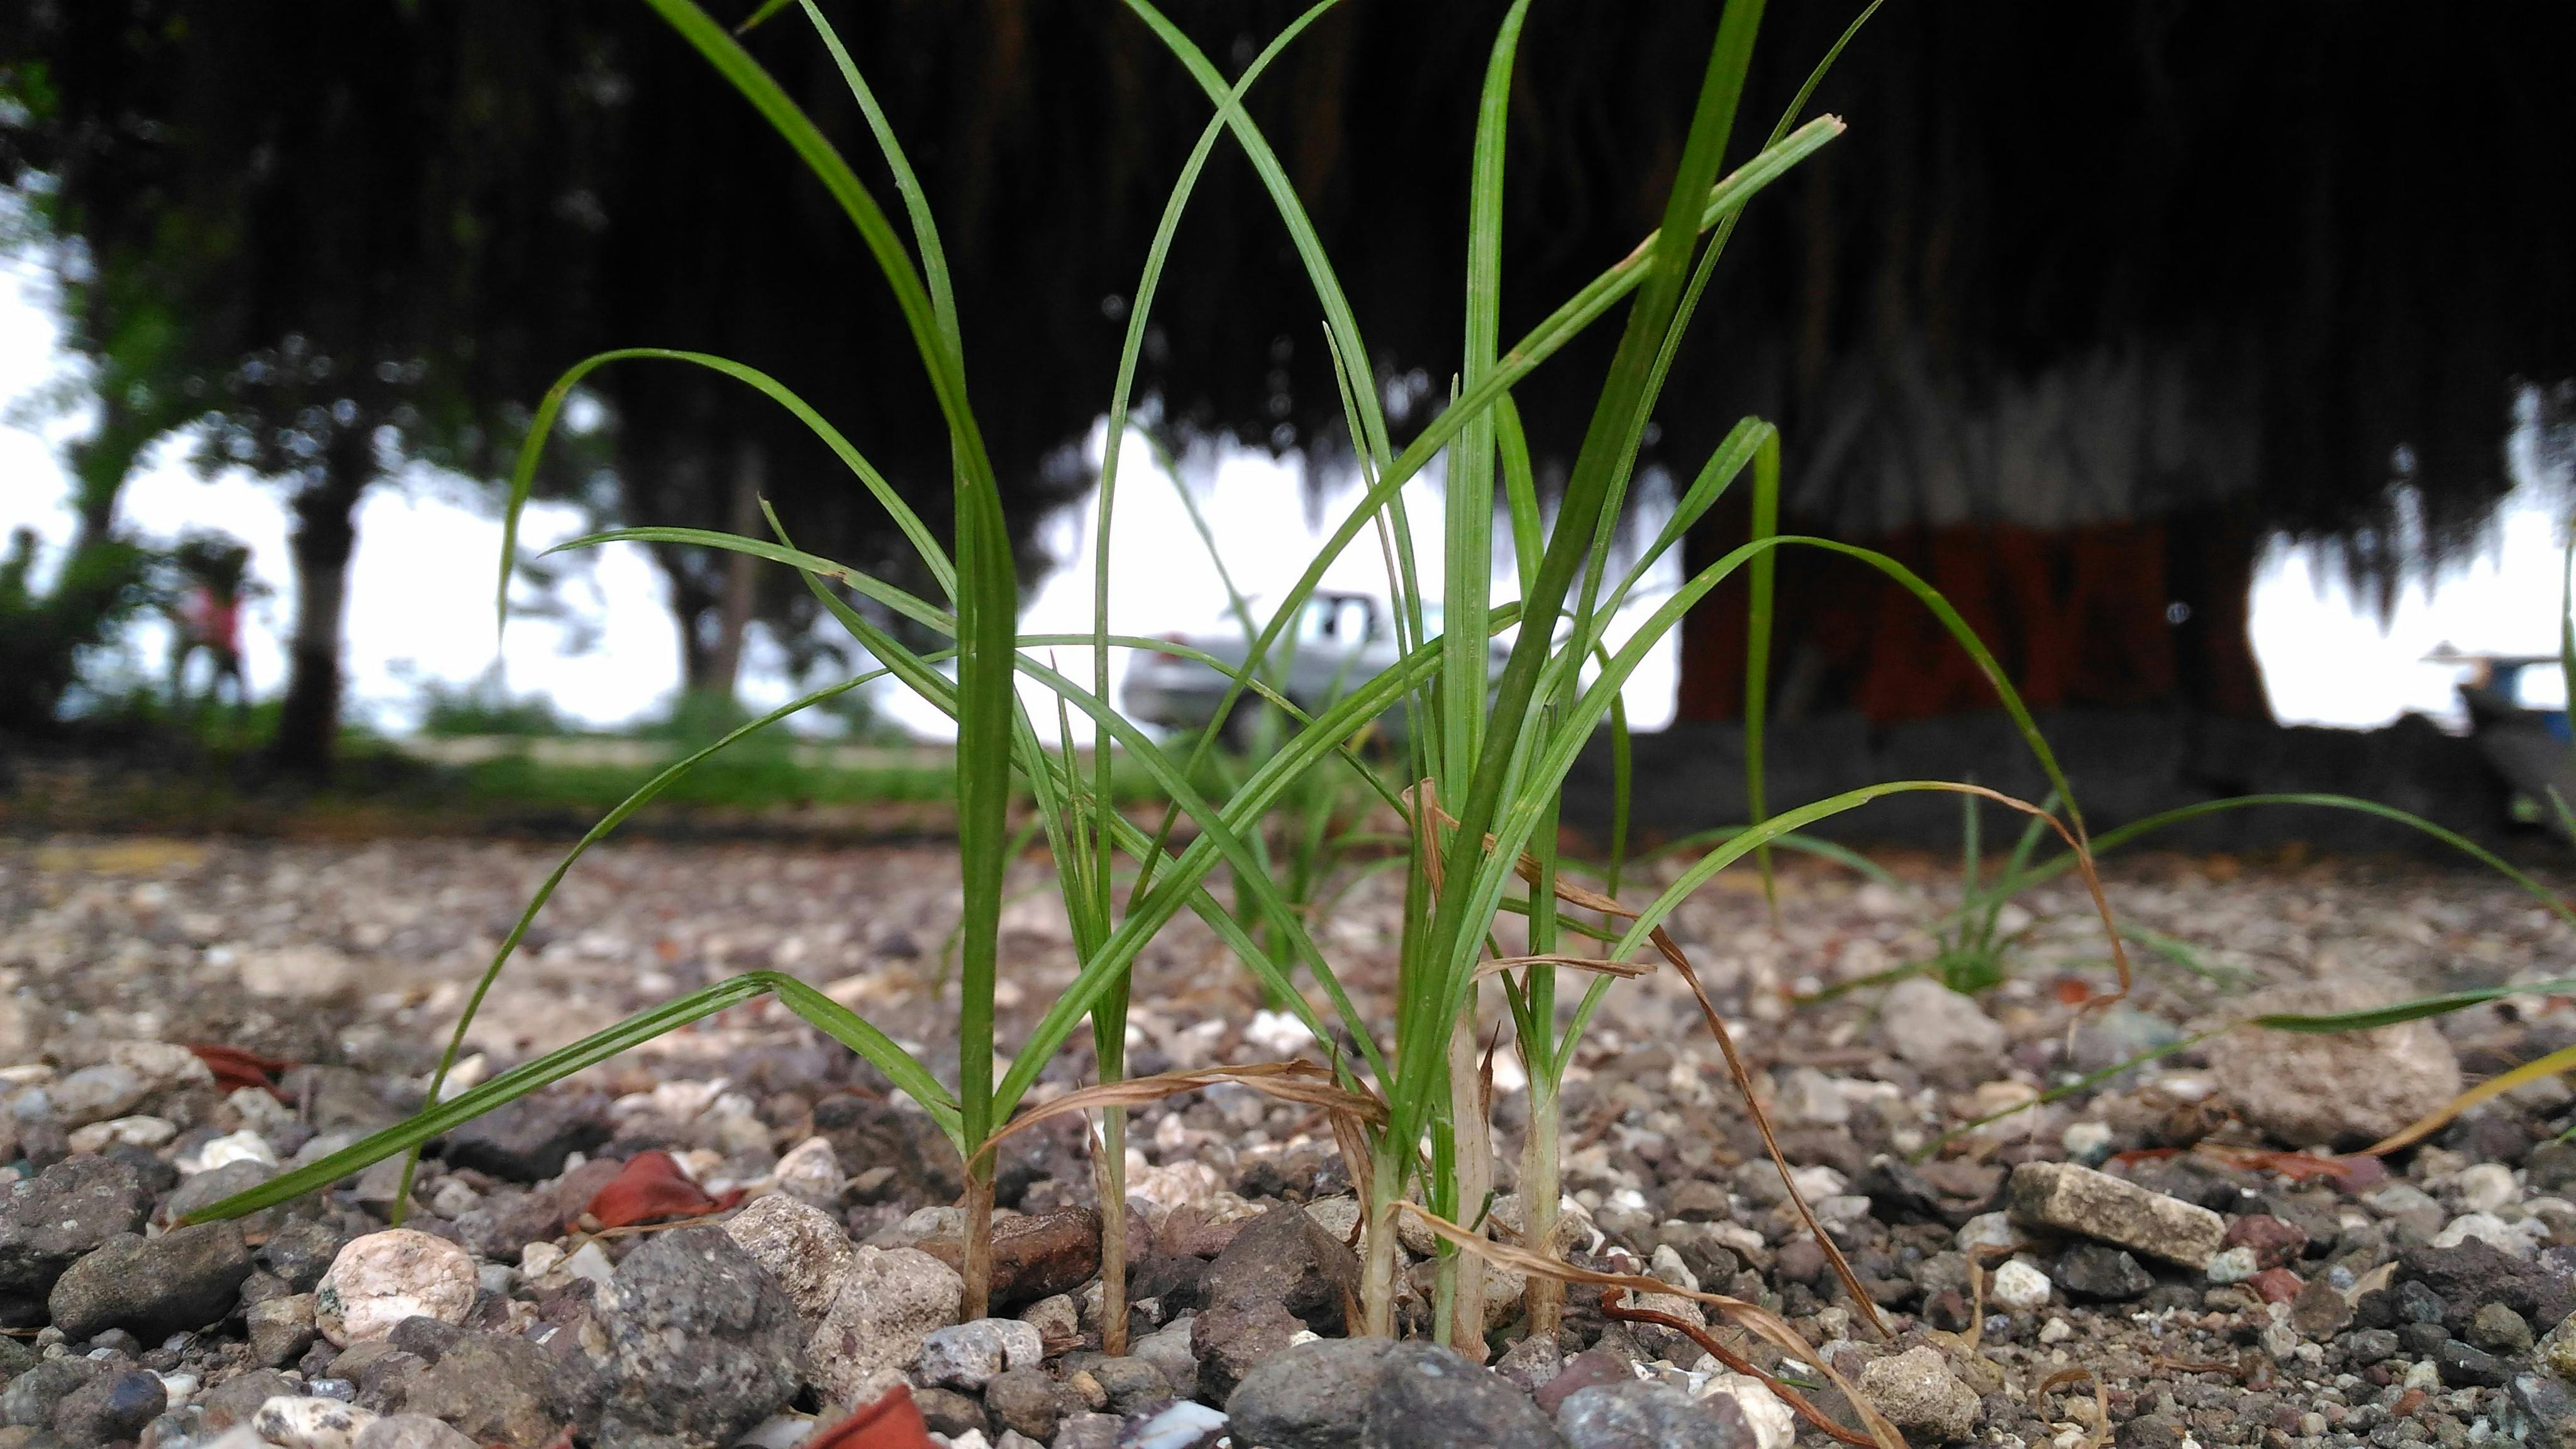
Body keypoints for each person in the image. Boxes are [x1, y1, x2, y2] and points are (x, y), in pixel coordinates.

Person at [165, 532, 257, 718]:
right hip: (216, 639)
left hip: (223, 642)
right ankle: (195, 713)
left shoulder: (225, 591)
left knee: (227, 681)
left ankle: (204, 713)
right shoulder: (211, 591)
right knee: (224, 681)